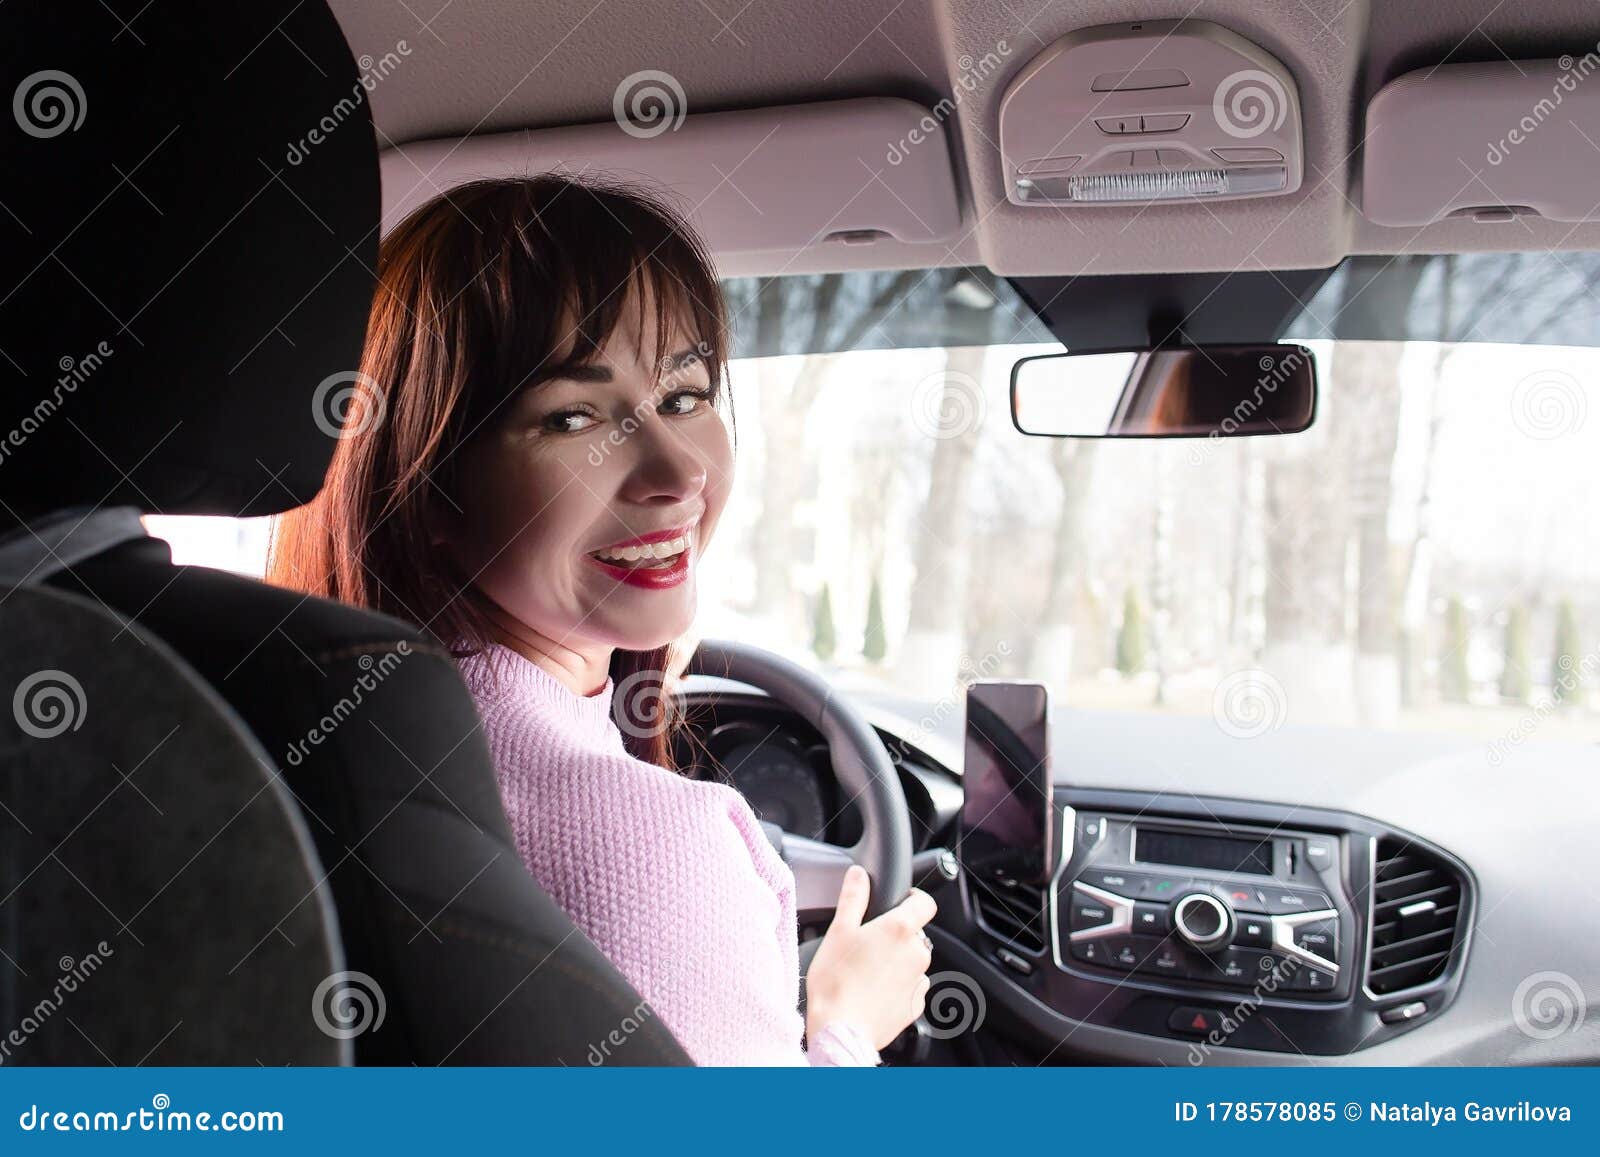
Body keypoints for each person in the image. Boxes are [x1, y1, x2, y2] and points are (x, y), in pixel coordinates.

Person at [268, 175, 937, 1065]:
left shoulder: (312, 718)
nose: (675, 471)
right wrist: (844, 1026)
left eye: (686, 395)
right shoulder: (657, 846)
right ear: (427, 486)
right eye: (574, 415)